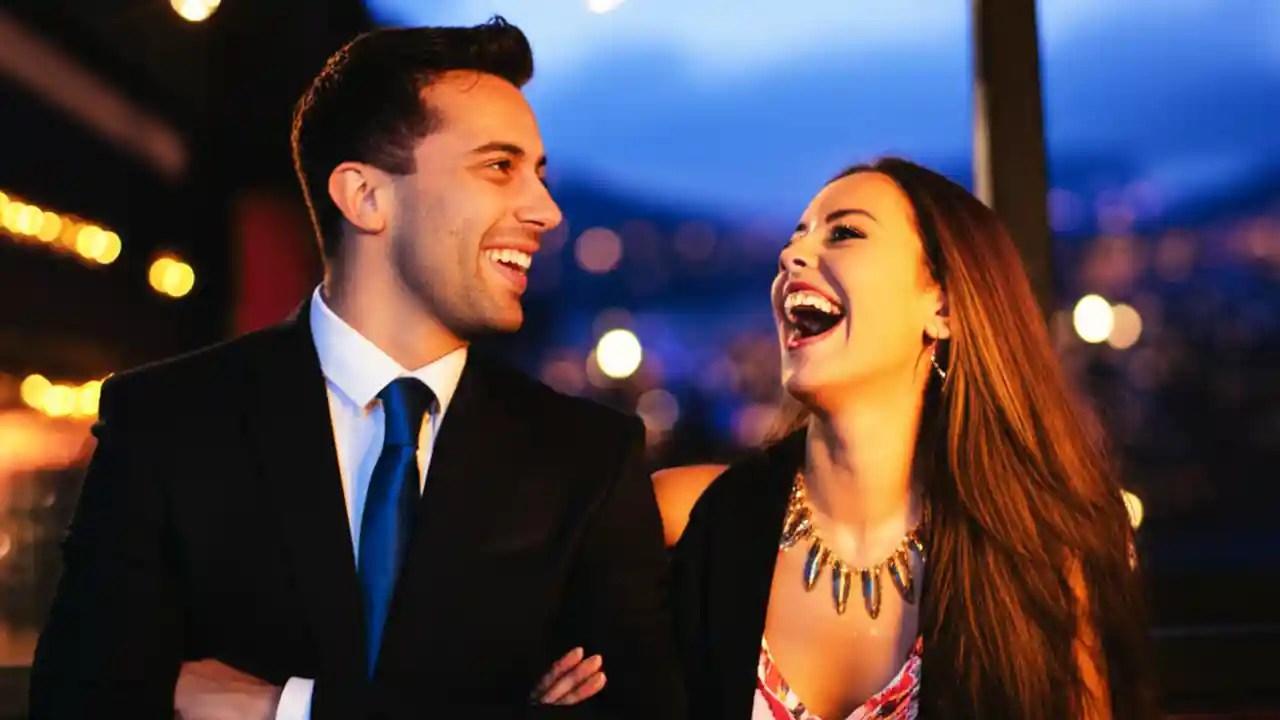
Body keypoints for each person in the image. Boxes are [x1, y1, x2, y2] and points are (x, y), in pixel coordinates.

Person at [29, 19, 685, 720]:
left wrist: (284, 707)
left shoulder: (587, 459)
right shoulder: (168, 421)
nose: (546, 211)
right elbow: (81, 698)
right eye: (500, 167)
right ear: (365, 196)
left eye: (540, 175)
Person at [660, 158, 1153, 719]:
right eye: (795, 238)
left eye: (844, 233)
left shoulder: (1037, 559)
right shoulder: (685, 519)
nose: (790, 255)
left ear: (941, 307)